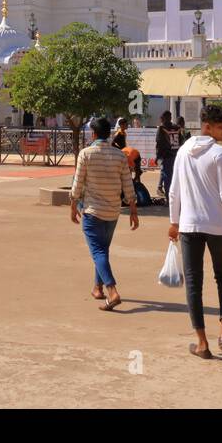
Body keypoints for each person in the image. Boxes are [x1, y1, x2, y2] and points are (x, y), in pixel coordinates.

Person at [169, 105, 222, 359]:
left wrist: (174, 221)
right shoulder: (219, 153)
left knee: (194, 282)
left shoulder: (182, 152)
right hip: (217, 226)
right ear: (207, 126)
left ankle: (202, 342)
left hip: (190, 225)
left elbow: (173, 192)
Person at [70, 116, 138, 311]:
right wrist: (133, 209)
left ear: (93, 133)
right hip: (113, 211)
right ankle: (97, 287)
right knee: (102, 250)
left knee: (98, 251)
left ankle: (112, 290)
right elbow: (128, 183)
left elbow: (78, 182)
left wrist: (73, 204)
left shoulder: (86, 153)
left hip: (92, 211)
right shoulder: (119, 156)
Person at [154, 110, 182, 199]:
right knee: (176, 178)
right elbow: (181, 141)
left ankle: (168, 199)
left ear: (163, 118)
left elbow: (159, 143)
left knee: (167, 178)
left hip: (167, 156)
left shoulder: (161, 129)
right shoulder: (177, 128)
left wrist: (157, 156)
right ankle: (176, 197)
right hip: (177, 156)